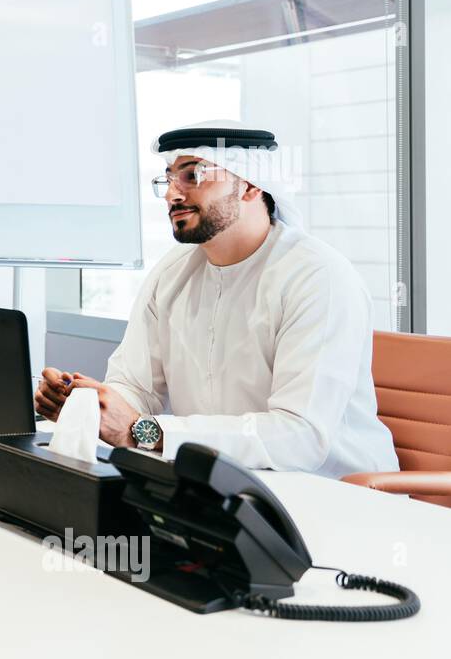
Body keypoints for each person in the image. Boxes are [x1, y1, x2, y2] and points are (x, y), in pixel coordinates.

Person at [35, 120, 397, 479]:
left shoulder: (318, 278)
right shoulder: (172, 273)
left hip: (334, 493)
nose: (171, 195)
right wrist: (88, 404)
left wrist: (144, 432)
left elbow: (300, 437)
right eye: (169, 179)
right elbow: (135, 387)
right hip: (220, 484)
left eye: (193, 176)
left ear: (251, 185)